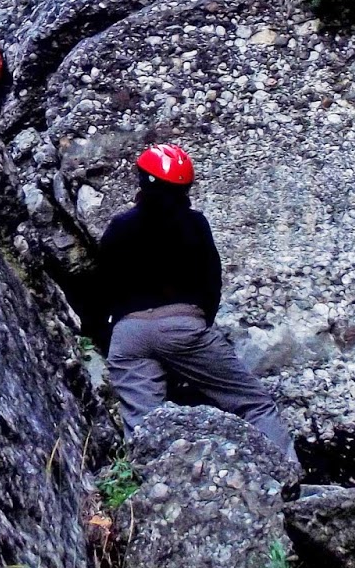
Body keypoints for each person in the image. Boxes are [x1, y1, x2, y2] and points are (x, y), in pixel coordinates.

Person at [100, 143, 296, 459]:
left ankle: (146, 482)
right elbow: (211, 284)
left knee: (145, 427)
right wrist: (198, 325)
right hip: (182, 325)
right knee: (254, 403)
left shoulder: (119, 226)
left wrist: (114, 334)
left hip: (128, 333)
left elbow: (102, 287)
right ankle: (284, 472)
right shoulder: (194, 223)